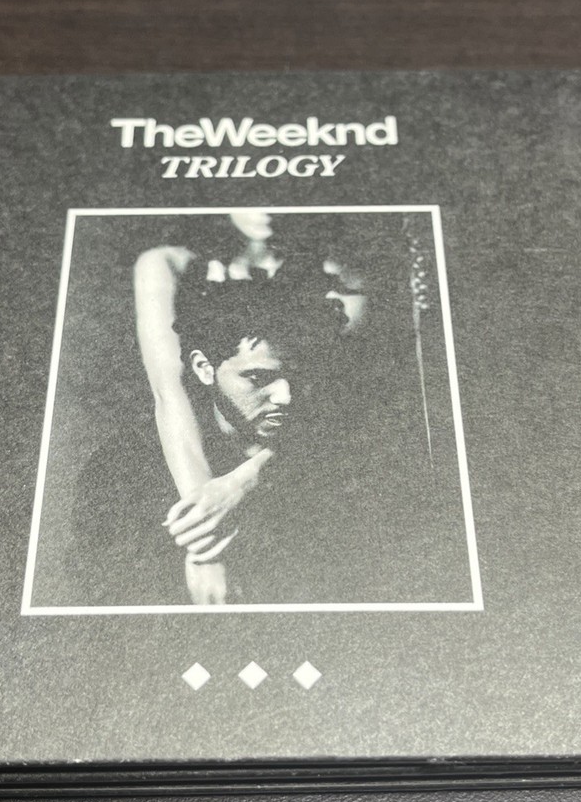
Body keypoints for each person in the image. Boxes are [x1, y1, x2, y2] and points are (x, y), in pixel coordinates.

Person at [133, 210, 367, 598]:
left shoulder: (338, 276)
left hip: (302, 453)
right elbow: (170, 392)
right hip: (202, 448)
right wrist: (208, 546)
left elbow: (332, 404)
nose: (267, 207)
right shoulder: (168, 263)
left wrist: (244, 480)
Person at [72, 275, 341, 605]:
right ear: (203, 368)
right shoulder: (124, 467)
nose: (285, 396)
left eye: (296, 375)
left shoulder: (335, 456)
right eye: (258, 377)